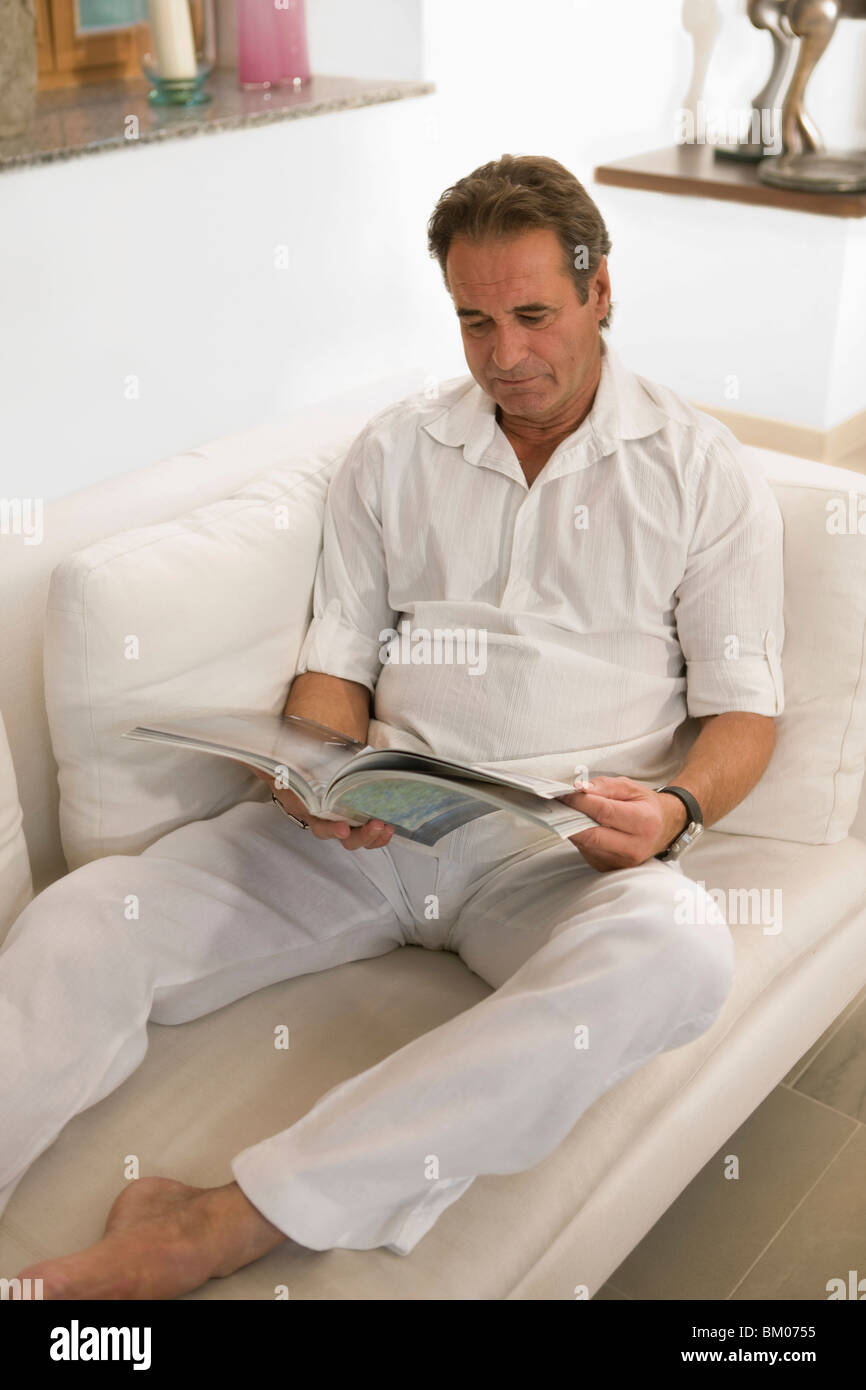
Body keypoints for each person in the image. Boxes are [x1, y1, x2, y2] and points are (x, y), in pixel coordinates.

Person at [2, 154, 784, 1300]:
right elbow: (337, 664)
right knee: (85, 917)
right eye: (474, 321)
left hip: (556, 854)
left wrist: (672, 808)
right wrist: (310, 775)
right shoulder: (395, 452)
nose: (504, 355)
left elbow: (742, 713)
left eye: (531, 316)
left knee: (678, 950)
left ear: (599, 290)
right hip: (374, 831)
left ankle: (220, 1221)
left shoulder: (699, 471)